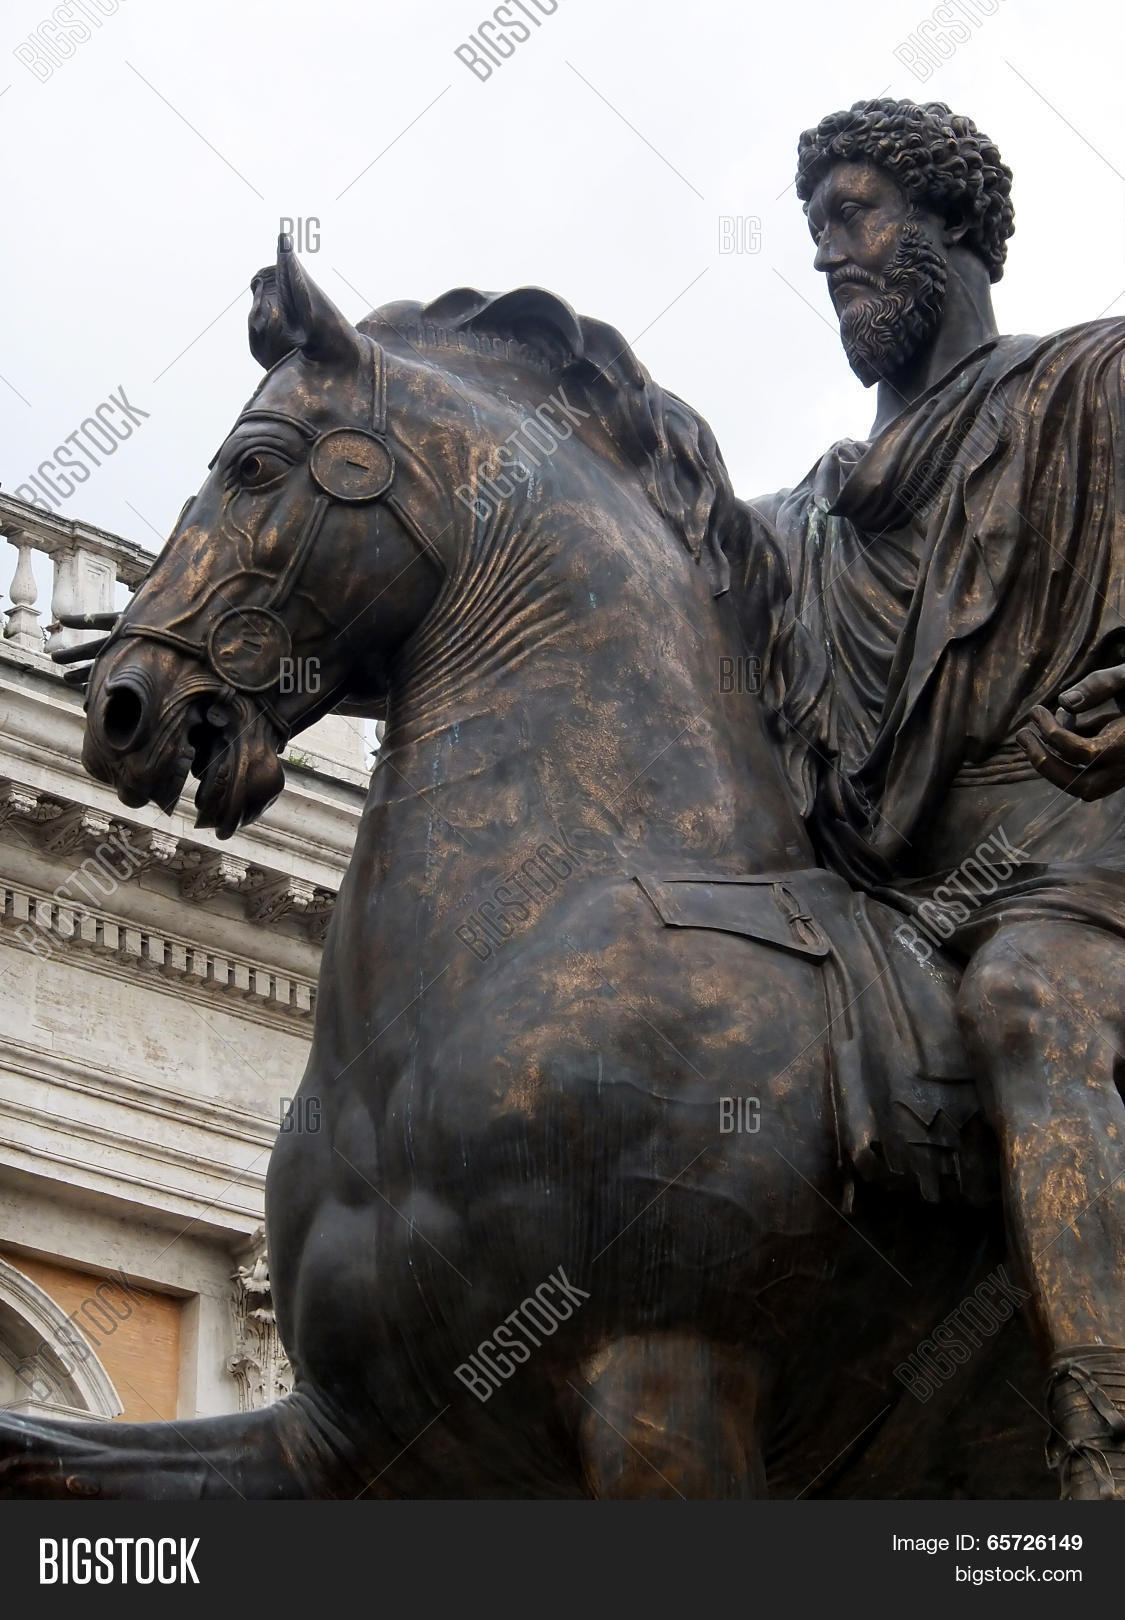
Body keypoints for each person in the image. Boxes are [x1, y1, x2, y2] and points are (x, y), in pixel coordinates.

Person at [729, 97, 1125, 1498]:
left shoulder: (1090, 389)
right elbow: (609, 621)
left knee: (1025, 1003)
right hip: (873, 904)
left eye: (856, 215)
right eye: (816, 230)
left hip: (1075, 885)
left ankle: (1103, 1444)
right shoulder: (799, 523)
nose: (830, 256)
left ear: (954, 226)